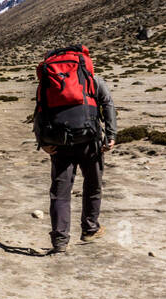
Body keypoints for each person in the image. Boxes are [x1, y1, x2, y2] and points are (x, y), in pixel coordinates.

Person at [33, 46, 117, 254]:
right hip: (90, 140)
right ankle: (90, 229)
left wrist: (42, 141)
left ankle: (60, 241)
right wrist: (111, 134)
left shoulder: (49, 82)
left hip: (59, 143)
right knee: (93, 185)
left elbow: (40, 111)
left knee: (60, 193)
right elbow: (107, 104)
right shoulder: (91, 79)